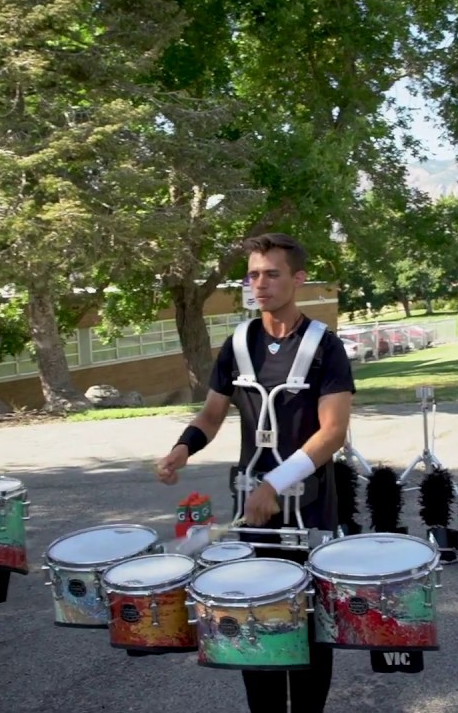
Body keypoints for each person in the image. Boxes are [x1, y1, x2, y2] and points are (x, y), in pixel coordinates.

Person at [155, 232, 356, 713]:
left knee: (307, 622)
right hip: (251, 510)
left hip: (307, 508)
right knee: (250, 614)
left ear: (298, 279)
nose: (259, 284)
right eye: (253, 274)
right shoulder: (238, 344)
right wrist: (181, 450)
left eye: (271, 274)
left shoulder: (324, 347)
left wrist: (276, 483)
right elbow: (210, 415)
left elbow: (333, 434)